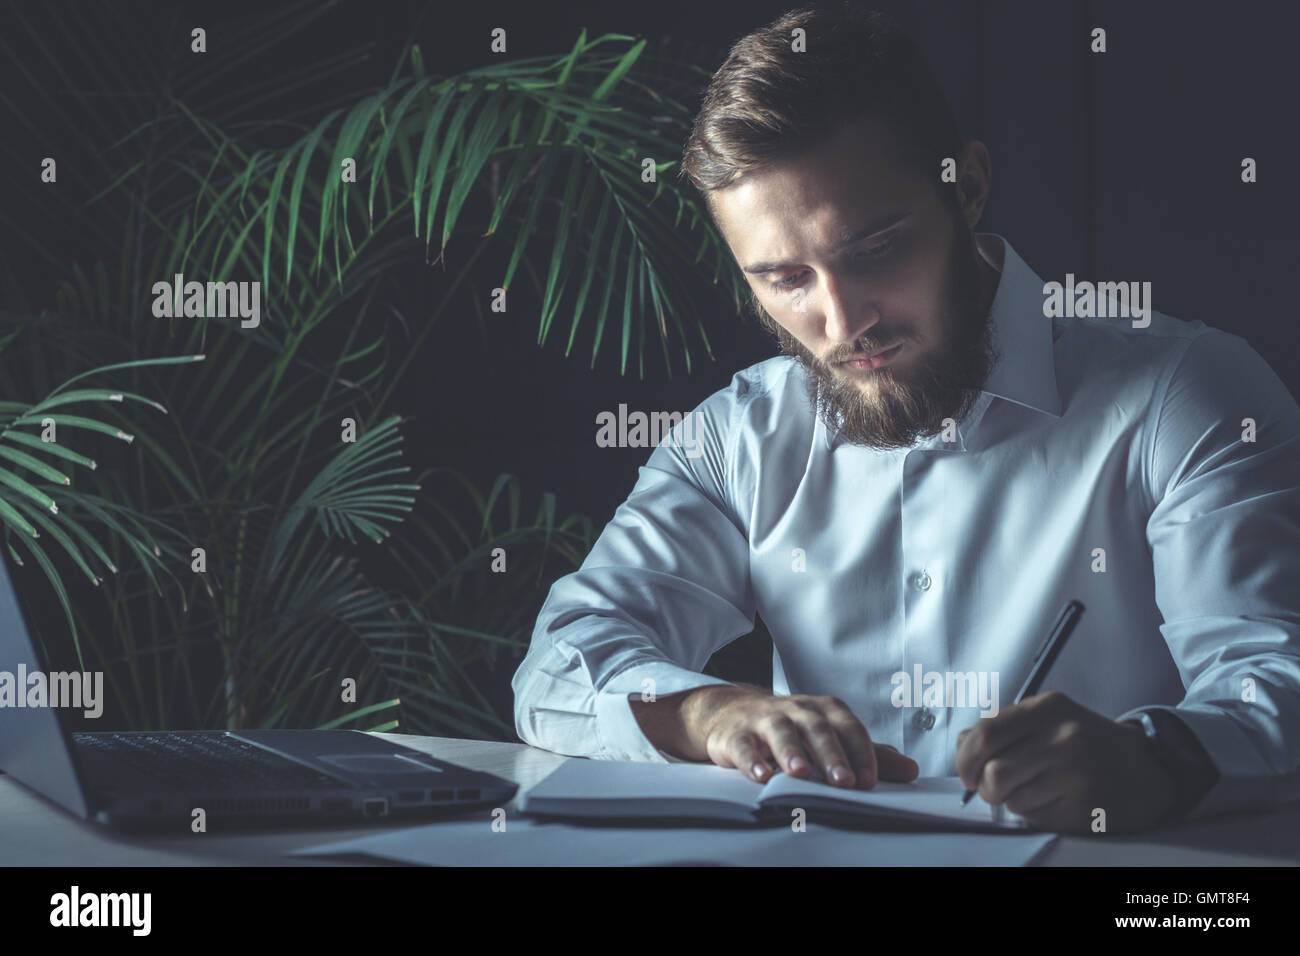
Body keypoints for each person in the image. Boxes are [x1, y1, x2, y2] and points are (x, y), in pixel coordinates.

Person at [511, 4, 1300, 833]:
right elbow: (559, 667)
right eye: (785, 279)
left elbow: (1277, 676)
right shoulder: (735, 436)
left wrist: (1153, 757)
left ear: (972, 185)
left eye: (876, 249)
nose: (844, 322)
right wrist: (707, 717)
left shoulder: (1186, 392)